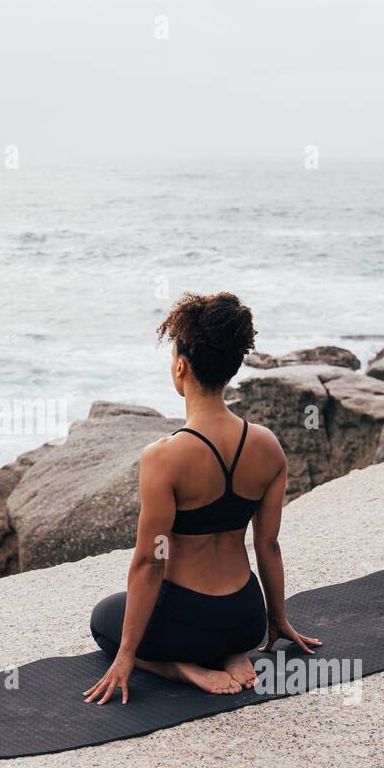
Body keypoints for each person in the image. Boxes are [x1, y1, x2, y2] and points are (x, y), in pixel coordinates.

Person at [85, 292, 321, 705]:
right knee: (222, 624)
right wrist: (277, 619)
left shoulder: (164, 457)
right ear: (231, 367)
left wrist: (127, 655)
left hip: (186, 623)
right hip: (247, 617)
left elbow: (148, 562)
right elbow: (268, 544)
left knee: (104, 618)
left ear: (180, 366)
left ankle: (180, 668)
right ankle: (232, 655)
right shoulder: (267, 445)